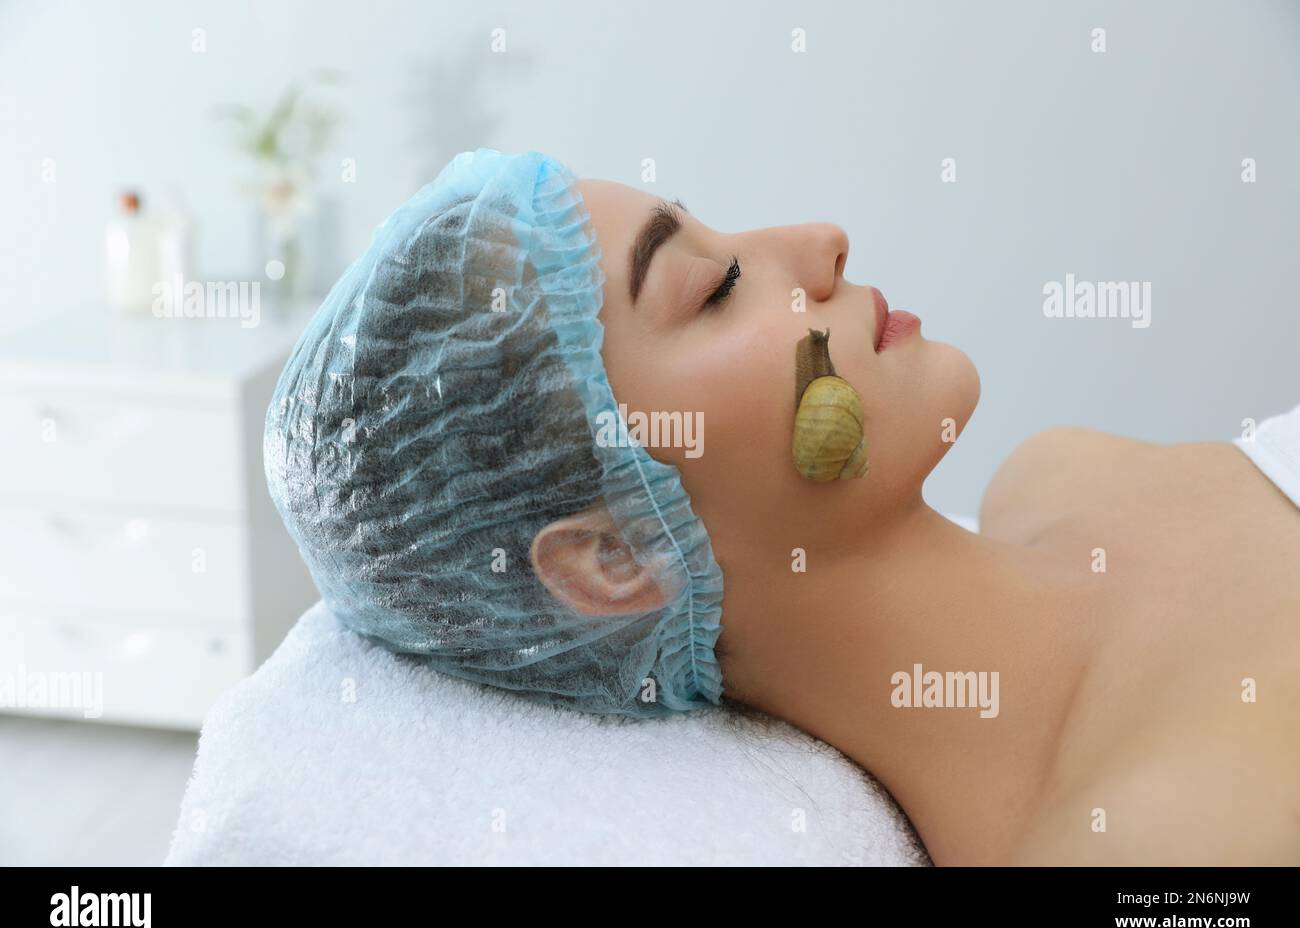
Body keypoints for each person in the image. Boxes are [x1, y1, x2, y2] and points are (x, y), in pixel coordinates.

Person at [267, 149, 1300, 866]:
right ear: (614, 558)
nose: (820, 241)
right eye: (713, 285)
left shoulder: (1063, 471)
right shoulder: (1158, 844)